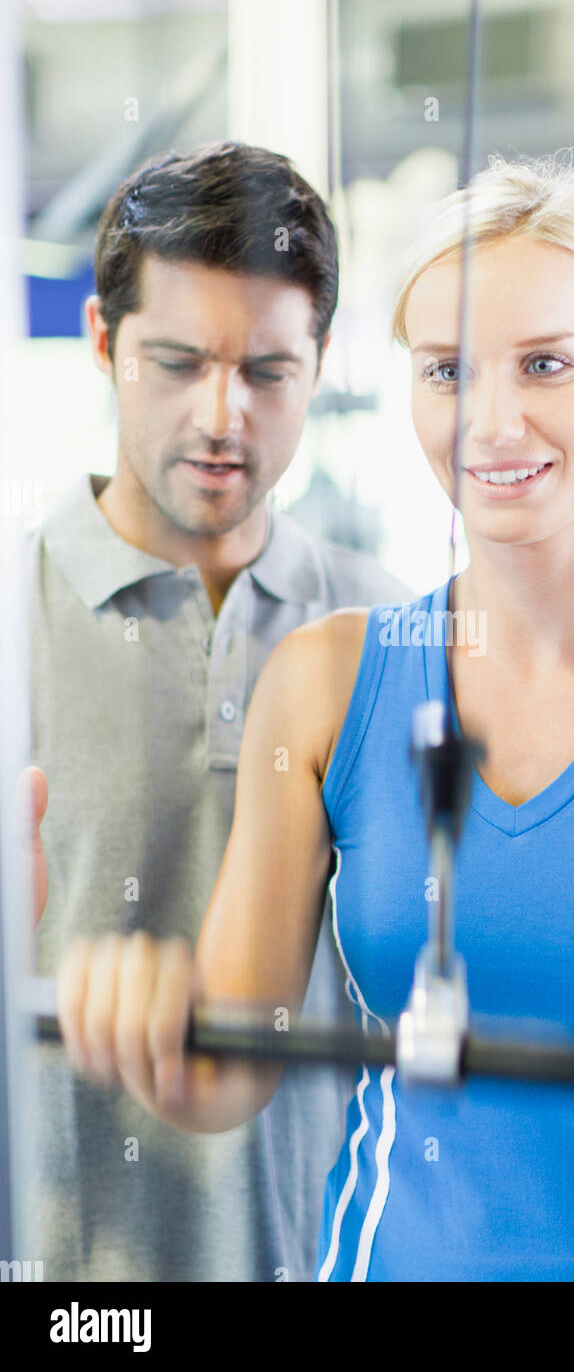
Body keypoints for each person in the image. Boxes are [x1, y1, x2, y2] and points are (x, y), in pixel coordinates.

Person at [52, 154, 574, 1281]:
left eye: (545, 364)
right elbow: (232, 1066)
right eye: (445, 371)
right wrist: (144, 1017)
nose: (491, 419)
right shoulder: (328, 677)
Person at [23, 139, 413, 1282]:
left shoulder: (384, 627)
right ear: (102, 342)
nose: (222, 415)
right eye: (177, 361)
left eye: (266, 371)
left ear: (320, 361)